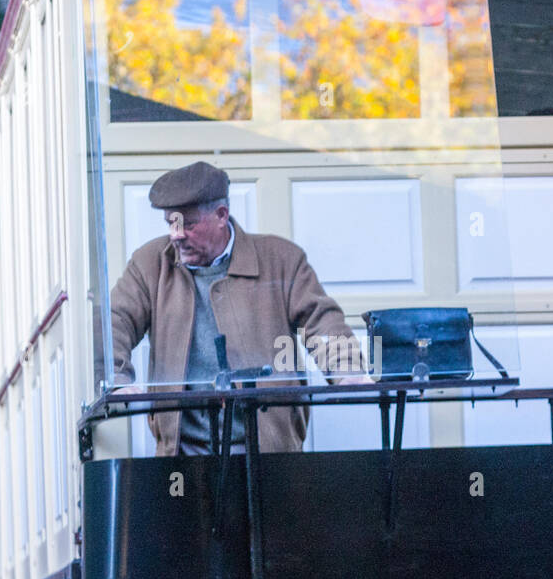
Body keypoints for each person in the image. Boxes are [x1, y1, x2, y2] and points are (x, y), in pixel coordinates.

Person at [109, 161, 372, 456]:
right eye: (171, 223)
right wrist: (118, 381)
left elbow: (321, 321)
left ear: (222, 215)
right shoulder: (149, 264)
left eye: (188, 223)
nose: (176, 234)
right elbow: (114, 322)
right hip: (183, 456)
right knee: (178, 497)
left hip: (268, 455)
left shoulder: (282, 259)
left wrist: (347, 370)